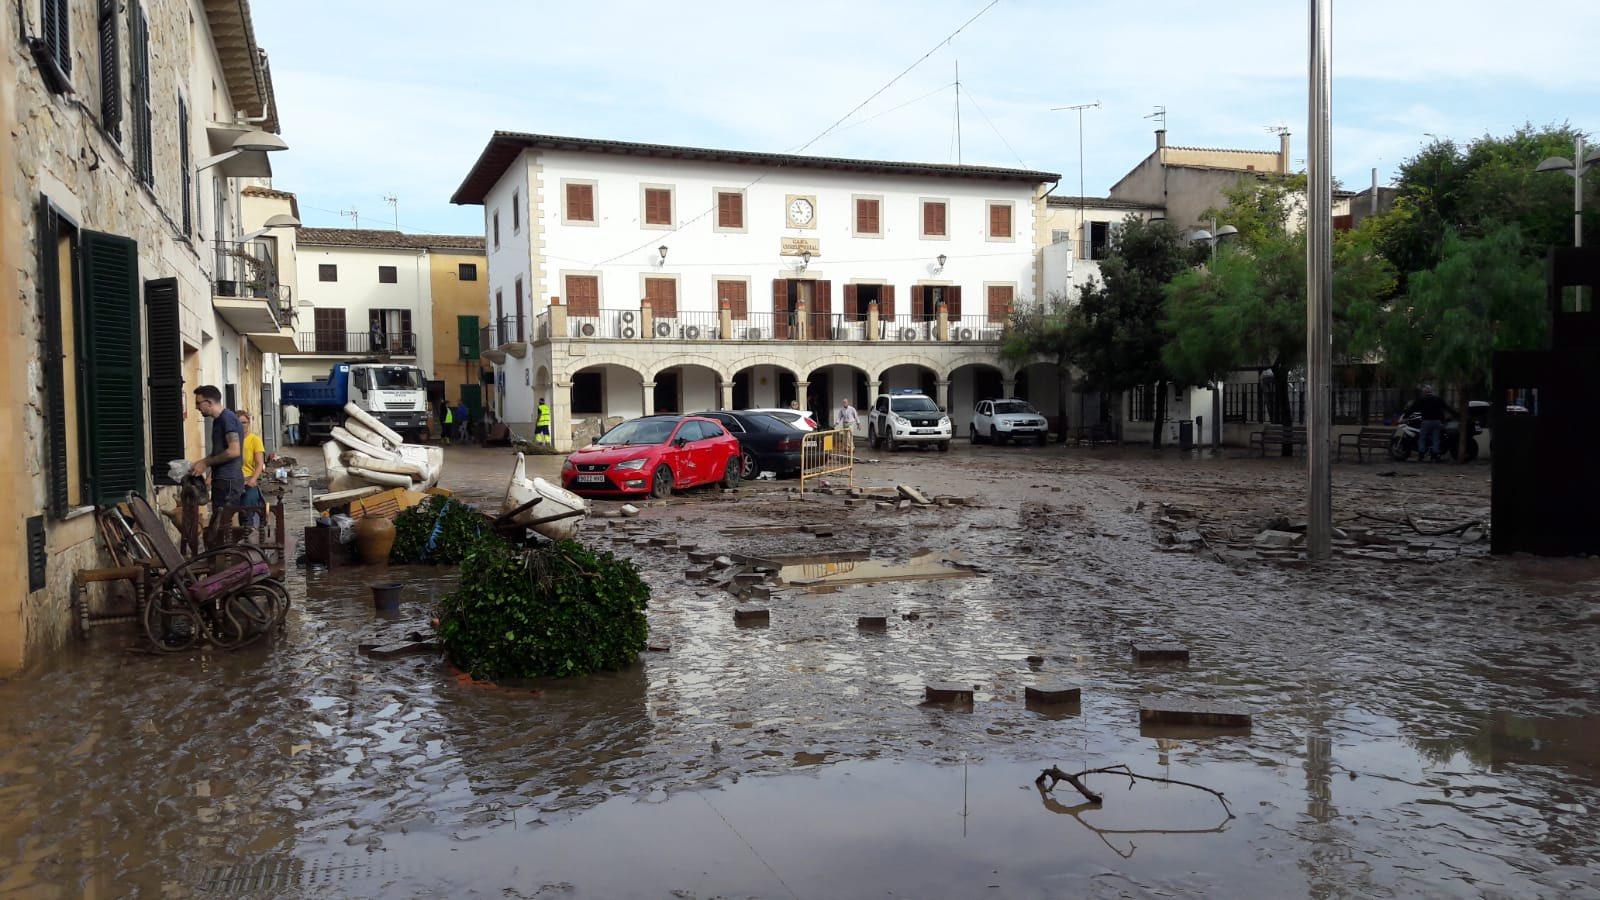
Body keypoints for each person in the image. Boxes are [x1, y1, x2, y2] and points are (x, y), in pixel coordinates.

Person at [191, 386, 243, 534]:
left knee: (227, 524)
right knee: (221, 525)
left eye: (198, 403)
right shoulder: (218, 421)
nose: (196, 407)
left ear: (208, 402)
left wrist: (206, 463)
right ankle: (226, 554)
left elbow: (234, 451)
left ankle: (231, 555)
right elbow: (218, 453)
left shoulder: (228, 419)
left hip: (229, 481)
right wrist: (200, 463)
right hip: (222, 480)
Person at [1405, 385, 1456, 462]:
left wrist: (1405, 416)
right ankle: (1435, 455)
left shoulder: (1422, 400)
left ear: (1424, 392)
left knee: (1422, 438)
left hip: (1426, 422)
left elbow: (1412, 408)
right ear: (1431, 391)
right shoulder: (1438, 399)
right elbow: (1447, 407)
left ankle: (1421, 456)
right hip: (1437, 422)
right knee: (1436, 439)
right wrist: (1456, 415)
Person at [237, 410, 268, 534]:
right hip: (234, 480)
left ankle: (250, 536)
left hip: (249, 479)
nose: (241, 426)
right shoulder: (231, 440)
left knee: (248, 509)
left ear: (248, 423)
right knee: (233, 512)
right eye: (238, 423)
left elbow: (260, 464)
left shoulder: (254, 440)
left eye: (244, 423)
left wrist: (253, 479)